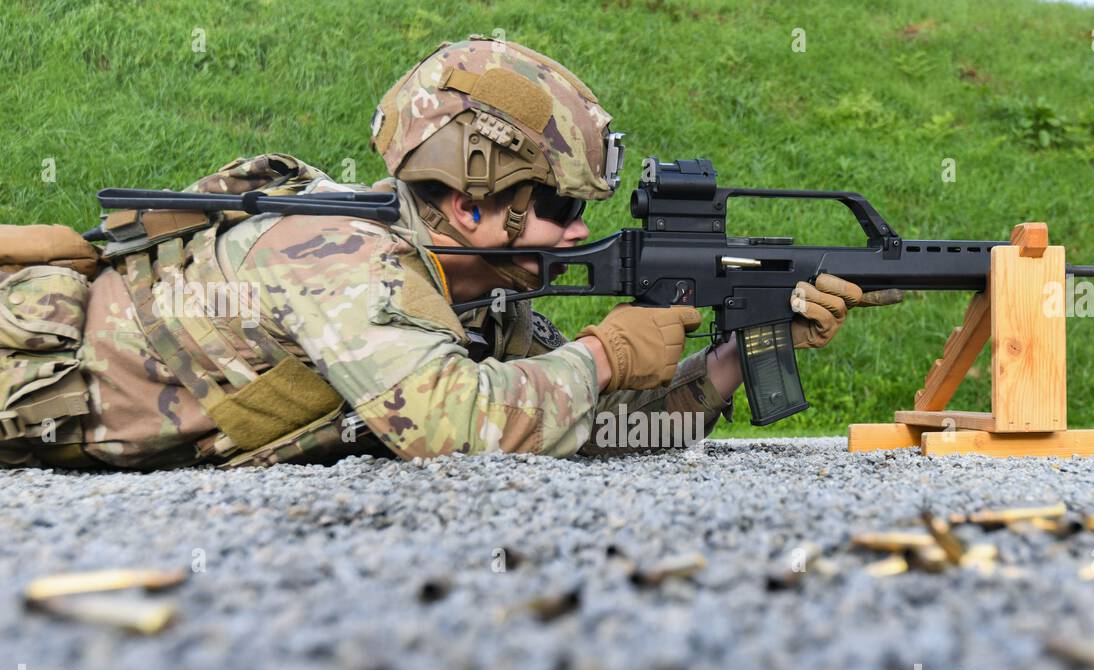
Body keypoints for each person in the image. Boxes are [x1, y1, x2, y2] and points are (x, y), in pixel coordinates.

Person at [0, 35, 900, 470]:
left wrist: (729, 365)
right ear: (470, 204)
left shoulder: (471, 298)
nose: (578, 232)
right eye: (553, 206)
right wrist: (605, 353)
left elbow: (572, 433)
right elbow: (460, 428)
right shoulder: (340, 255)